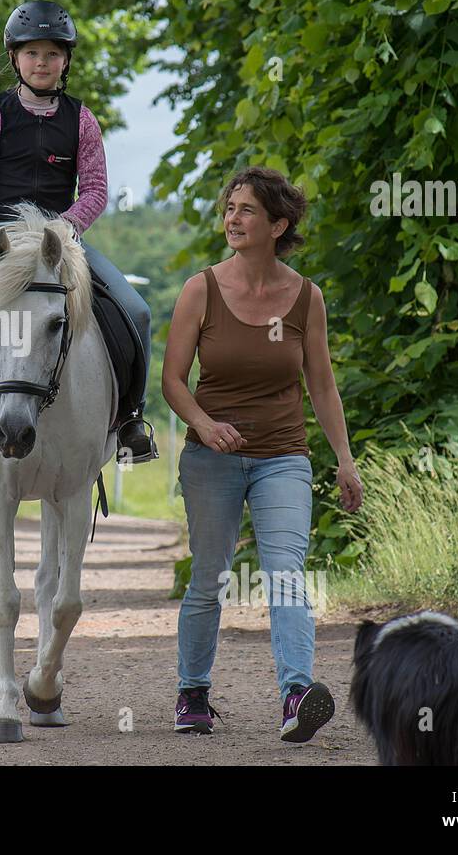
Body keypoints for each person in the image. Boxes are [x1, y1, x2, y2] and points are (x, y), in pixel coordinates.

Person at [0, 0, 155, 464]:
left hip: (62, 242)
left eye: (53, 54)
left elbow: (95, 191)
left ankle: (132, 418)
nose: (43, 62)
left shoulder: (82, 120)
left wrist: (64, 227)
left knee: (136, 311)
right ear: (15, 58)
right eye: (33, 53)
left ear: (66, 61)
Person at [161, 166, 364, 743]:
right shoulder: (201, 289)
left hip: (283, 457)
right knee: (210, 576)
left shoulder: (305, 297)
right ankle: (192, 693)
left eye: (246, 210)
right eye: (229, 208)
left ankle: (297, 694)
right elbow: (173, 378)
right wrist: (203, 423)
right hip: (211, 460)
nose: (233, 218)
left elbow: (321, 385)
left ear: (278, 224)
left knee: (286, 575)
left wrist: (344, 460)